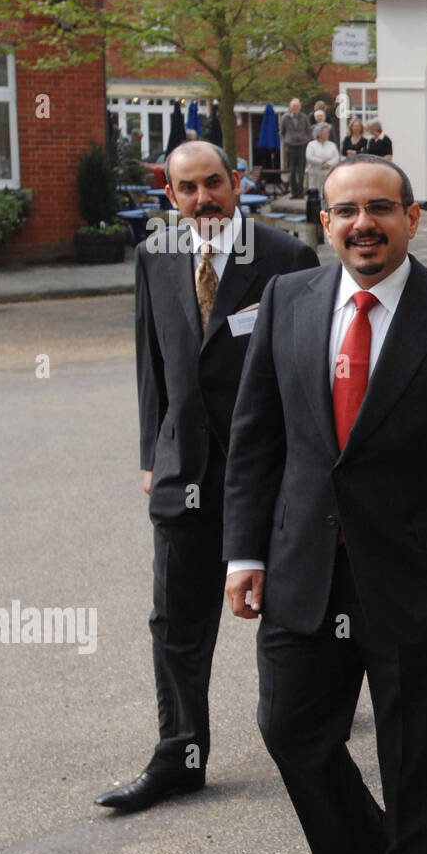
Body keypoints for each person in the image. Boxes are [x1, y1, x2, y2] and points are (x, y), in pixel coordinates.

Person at [222, 154, 427, 854]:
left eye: (382, 208)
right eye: (347, 210)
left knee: (415, 765)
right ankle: (363, 852)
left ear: (412, 217)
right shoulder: (287, 299)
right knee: (288, 726)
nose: (365, 223)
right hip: (305, 567)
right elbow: (256, 437)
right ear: (324, 223)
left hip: (414, 575)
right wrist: (245, 550)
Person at [94, 142, 318, 814]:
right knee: (176, 621)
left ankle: (305, 740)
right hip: (183, 471)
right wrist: (150, 455)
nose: (203, 200)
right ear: (170, 194)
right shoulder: (157, 255)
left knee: (293, 616)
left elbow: (305, 379)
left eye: (214, 184)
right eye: (187, 188)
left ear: (238, 182)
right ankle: (180, 754)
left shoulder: (286, 259)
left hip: (270, 477)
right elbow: (152, 365)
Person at [281, 99, 311, 199]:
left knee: (301, 170)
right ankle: (293, 192)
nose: (295, 109)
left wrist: (306, 140)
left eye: (297, 107)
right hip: (290, 146)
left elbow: (308, 130)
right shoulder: (285, 117)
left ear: (300, 107)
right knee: (292, 170)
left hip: (302, 145)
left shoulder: (304, 117)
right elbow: (282, 131)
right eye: (293, 107)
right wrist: (285, 142)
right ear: (290, 107)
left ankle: (301, 192)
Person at [305, 123, 340, 195]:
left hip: (328, 174)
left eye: (328, 132)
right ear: (320, 133)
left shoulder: (332, 144)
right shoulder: (311, 144)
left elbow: (336, 158)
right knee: (314, 194)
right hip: (315, 174)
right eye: (326, 132)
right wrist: (321, 161)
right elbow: (309, 157)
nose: (328, 134)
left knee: (327, 193)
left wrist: (328, 164)